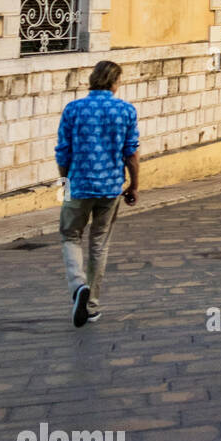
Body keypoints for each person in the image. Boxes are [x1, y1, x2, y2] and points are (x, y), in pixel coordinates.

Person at [54, 60, 139, 328]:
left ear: (92, 79)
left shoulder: (73, 109)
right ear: (115, 82)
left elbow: (63, 151)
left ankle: (79, 286)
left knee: (70, 235)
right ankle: (91, 306)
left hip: (77, 184)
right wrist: (134, 185)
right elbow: (132, 154)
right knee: (99, 243)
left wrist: (64, 182)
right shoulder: (125, 110)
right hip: (110, 187)